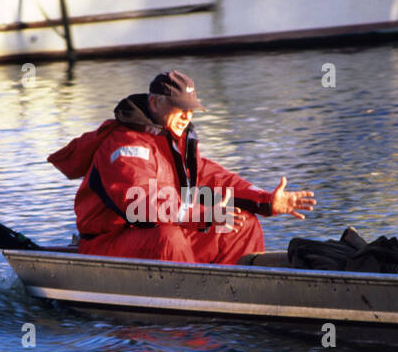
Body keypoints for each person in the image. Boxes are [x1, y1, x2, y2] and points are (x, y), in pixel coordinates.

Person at [48, 70, 315, 263]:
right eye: (179, 108)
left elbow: (213, 179)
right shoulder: (124, 145)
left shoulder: (176, 142)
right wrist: (204, 214)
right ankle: (189, 314)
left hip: (157, 234)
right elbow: (141, 205)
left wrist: (266, 200)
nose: (187, 116)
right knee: (168, 237)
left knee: (242, 223)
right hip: (108, 244)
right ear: (154, 103)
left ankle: (237, 298)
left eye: (191, 110)